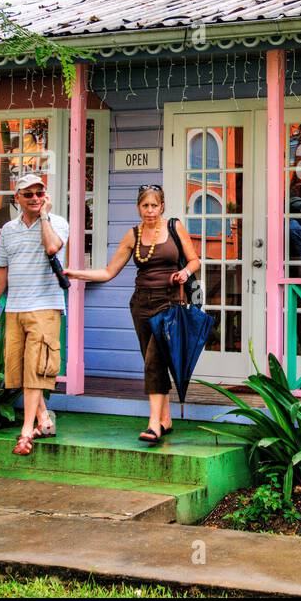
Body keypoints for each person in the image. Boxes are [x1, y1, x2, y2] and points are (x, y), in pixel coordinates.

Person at [65, 183, 200, 443]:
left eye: (154, 205)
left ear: (162, 206)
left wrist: (185, 272)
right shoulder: (133, 235)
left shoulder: (174, 227)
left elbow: (194, 260)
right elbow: (107, 272)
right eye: (145, 206)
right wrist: (76, 273)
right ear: (138, 207)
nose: (150, 211)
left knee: (154, 361)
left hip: (168, 303)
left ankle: (153, 425)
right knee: (153, 363)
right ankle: (166, 417)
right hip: (140, 304)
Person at [0, 174, 69, 457]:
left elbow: (52, 247)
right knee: (20, 370)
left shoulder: (56, 223)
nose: (34, 198)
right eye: (28, 194)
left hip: (45, 306)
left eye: (39, 193)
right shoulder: (8, 230)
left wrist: (44, 216)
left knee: (36, 370)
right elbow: (1, 269)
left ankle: (25, 433)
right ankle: (43, 418)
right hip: (15, 307)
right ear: (17, 198)